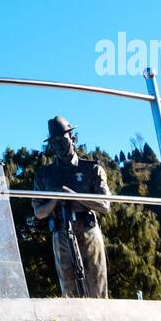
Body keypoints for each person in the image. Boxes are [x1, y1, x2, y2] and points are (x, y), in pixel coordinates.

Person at [32, 115, 110, 297]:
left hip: (88, 230)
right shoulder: (44, 175)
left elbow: (105, 205)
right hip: (60, 233)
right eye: (55, 142)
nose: (59, 145)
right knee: (68, 289)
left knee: (96, 285)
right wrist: (55, 198)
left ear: (73, 139)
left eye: (63, 140)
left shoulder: (92, 169)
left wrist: (72, 195)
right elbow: (39, 213)